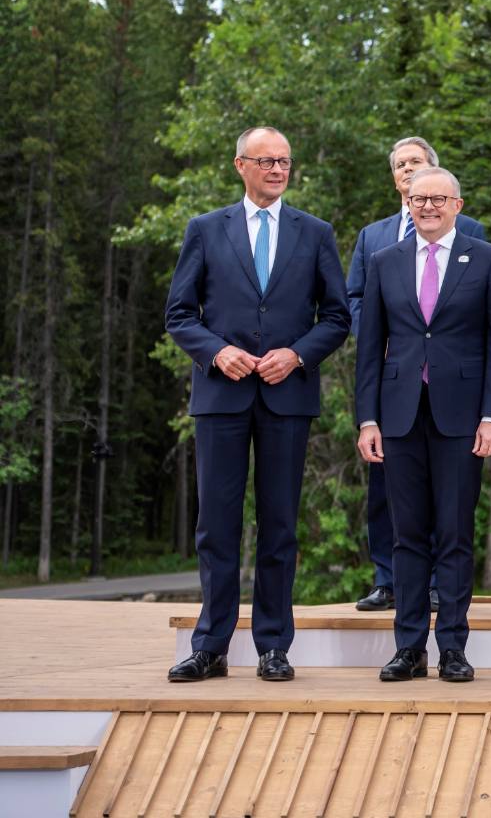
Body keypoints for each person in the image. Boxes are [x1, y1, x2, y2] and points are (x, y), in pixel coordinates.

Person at [164, 127, 350, 683]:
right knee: (216, 526)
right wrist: (217, 352)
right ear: (240, 164)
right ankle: (210, 647)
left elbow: (338, 317)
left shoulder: (315, 233)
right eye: (267, 161)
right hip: (221, 398)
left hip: (287, 399)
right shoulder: (205, 229)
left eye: (285, 162)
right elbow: (179, 315)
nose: (277, 170)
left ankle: (273, 645)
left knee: (279, 525)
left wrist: (296, 355)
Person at [354, 167, 491, 684]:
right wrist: (368, 418)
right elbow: (369, 350)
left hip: (462, 417)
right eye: (419, 198)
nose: (427, 206)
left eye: (437, 199)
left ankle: (452, 647)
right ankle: (408, 649)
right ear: (408, 203)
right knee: (406, 536)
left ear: (457, 205)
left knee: (453, 532)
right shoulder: (384, 261)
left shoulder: (488, 260)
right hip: (398, 414)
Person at [345, 136, 485, 614]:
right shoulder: (375, 236)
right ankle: (388, 578)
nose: (409, 172)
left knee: (450, 507)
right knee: (388, 493)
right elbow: (357, 297)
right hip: (393, 377)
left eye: (417, 164)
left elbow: (480, 310)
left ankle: (435, 593)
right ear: (395, 179)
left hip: (451, 390)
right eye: (401, 165)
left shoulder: (470, 233)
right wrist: (381, 336)